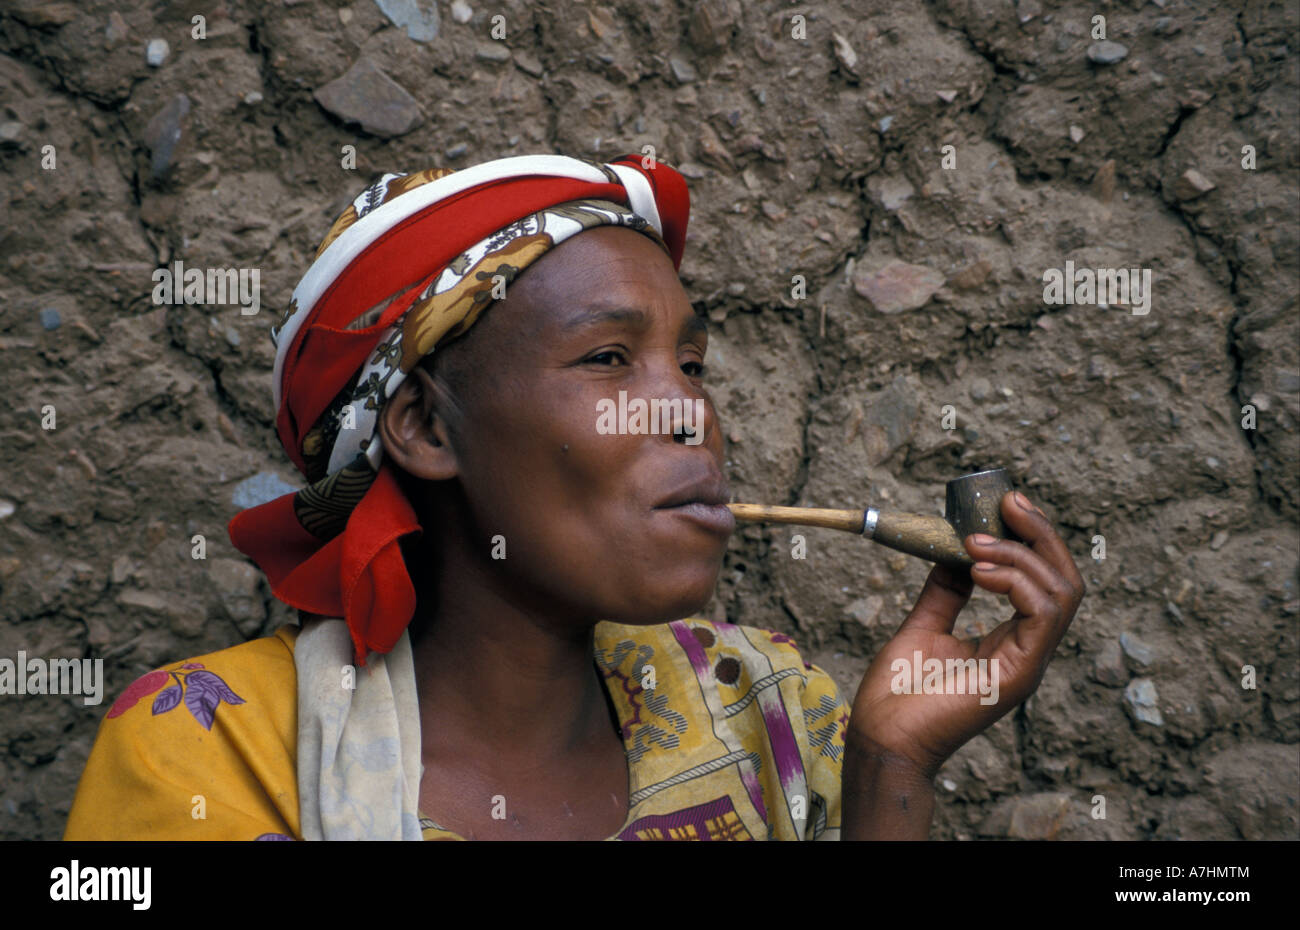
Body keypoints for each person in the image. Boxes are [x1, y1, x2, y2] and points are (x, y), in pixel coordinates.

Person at [64, 154, 1084, 841]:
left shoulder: (762, 711)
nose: (690, 416)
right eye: (608, 359)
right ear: (423, 429)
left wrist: (888, 761)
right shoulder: (205, 749)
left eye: (692, 364)